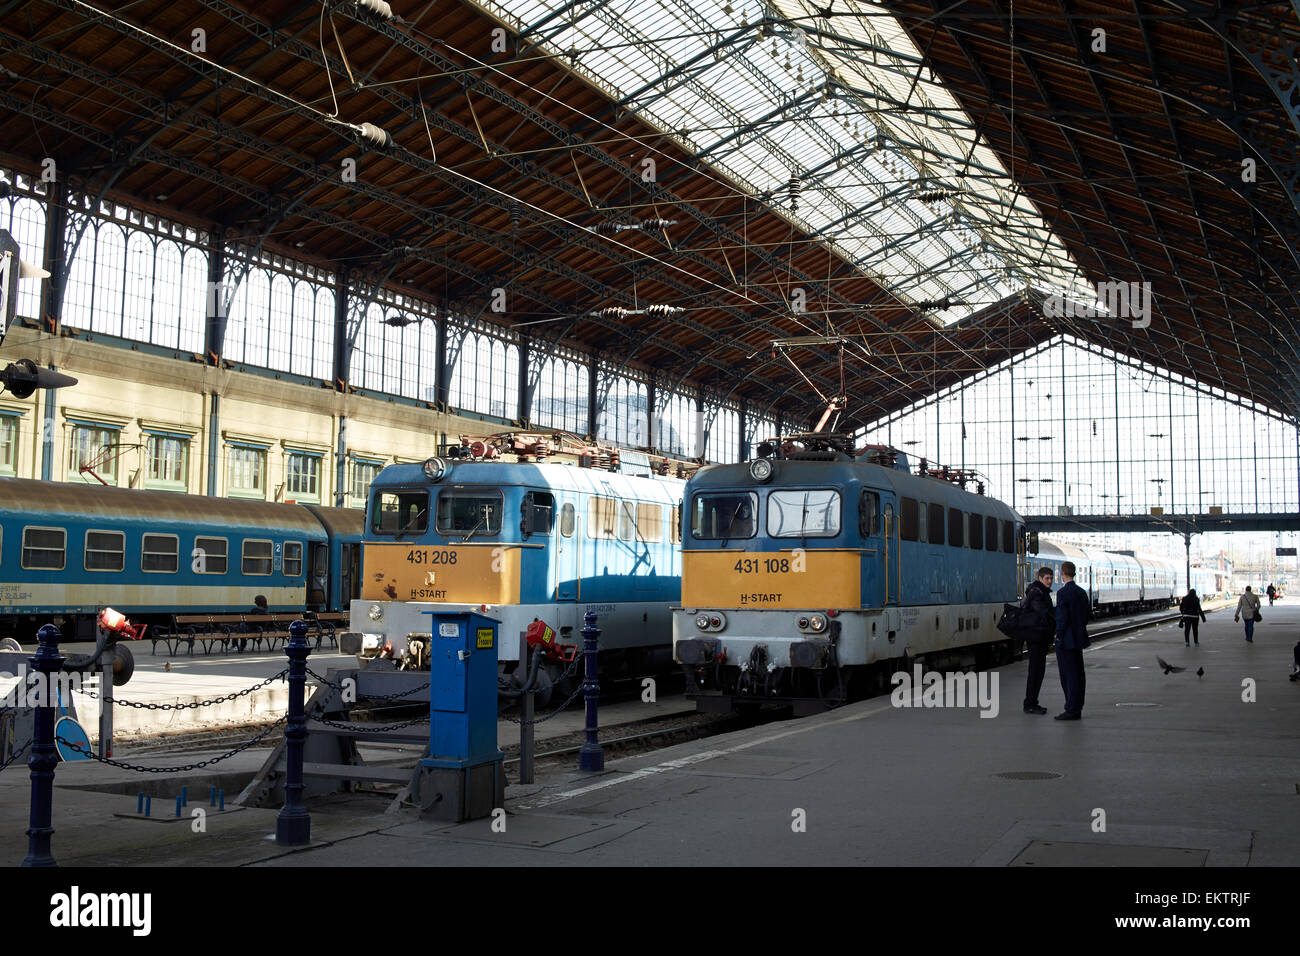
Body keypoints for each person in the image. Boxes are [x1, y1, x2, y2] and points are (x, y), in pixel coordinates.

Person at [1053, 560, 1091, 720]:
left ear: (1062, 574)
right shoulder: (1082, 592)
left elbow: (1062, 619)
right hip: (1078, 639)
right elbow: (1086, 615)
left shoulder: (1062, 594)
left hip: (1066, 641)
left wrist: (1058, 635)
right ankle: (1077, 706)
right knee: (1078, 674)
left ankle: (1071, 708)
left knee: (1068, 676)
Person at [1021, 566, 1057, 714]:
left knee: (1038, 671)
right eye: (1047, 578)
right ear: (1040, 578)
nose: (1049, 581)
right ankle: (1030, 703)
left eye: (1051, 578)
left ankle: (1032, 701)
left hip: (1039, 637)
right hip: (1036, 638)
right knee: (1035, 671)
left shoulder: (1040, 592)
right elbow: (1043, 614)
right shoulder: (1037, 594)